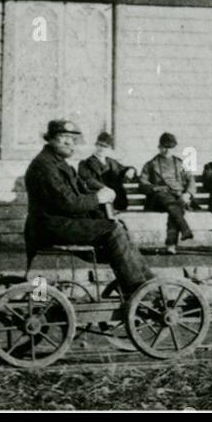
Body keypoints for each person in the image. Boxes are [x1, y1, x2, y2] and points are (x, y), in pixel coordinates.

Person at [23, 119, 153, 294]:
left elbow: (79, 193)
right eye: (63, 137)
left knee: (118, 225)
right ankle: (138, 289)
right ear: (50, 139)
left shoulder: (58, 163)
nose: (70, 142)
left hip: (58, 223)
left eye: (72, 138)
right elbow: (68, 203)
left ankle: (148, 283)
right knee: (112, 230)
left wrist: (99, 193)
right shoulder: (45, 167)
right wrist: (98, 198)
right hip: (51, 227)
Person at [139, 132, 196, 254]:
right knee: (171, 203)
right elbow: (143, 184)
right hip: (158, 199)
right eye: (164, 147)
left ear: (174, 148)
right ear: (159, 147)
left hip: (177, 197)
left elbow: (191, 179)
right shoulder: (150, 164)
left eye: (170, 148)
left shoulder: (180, 163)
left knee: (175, 207)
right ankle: (184, 228)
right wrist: (156, 188)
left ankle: (171, 245)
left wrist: (188, 194)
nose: (166, 150)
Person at [78, 131, 136, 212]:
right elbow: (88, 180)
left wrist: (131, 170)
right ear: (96, 144)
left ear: (109, 148)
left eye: (105, 146)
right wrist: (104, 188)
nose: (101, 148)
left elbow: (124, 169)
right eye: (100, 145)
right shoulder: (85, 163)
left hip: (116, 202)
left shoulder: (111, 162)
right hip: (98, 199)